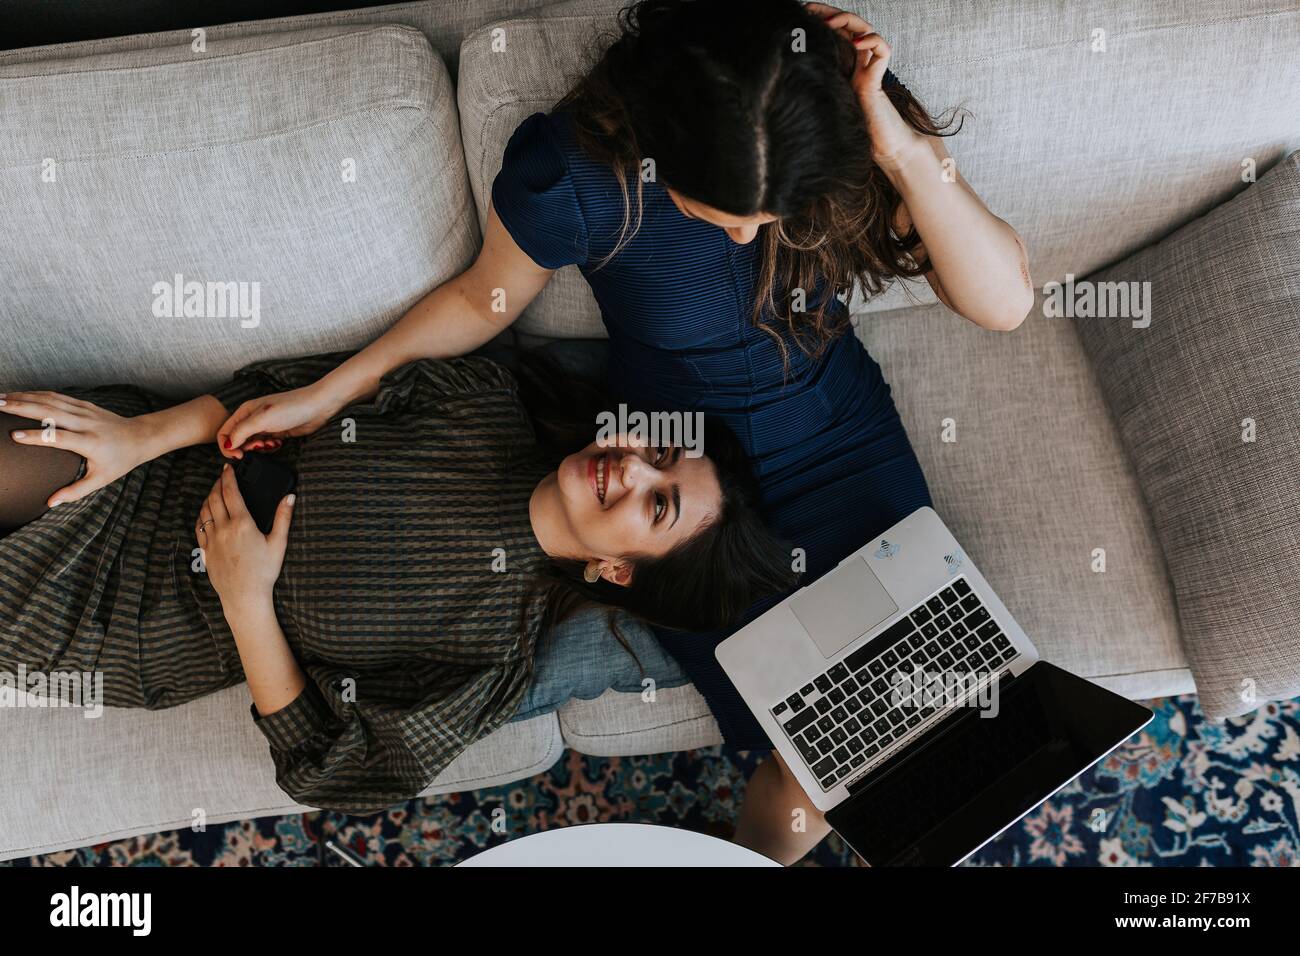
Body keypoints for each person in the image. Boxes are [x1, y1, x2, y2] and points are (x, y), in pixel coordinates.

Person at [71, 0, 1034, 862]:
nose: (747, 238)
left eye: (771, 216)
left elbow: (1004, 302)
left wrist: (900, 147)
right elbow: (481, 299)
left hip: (844, 446)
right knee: (799, 729)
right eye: (723, 214)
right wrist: (334, 391)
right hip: (679, 470)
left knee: (857, 749)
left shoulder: (827, 123)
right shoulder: (576, 170)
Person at [0, 350, 794, 813]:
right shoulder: (481, 399)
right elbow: (284, 388)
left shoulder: (493, 658)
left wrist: (248, 605)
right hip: (144, 476)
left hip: (134, 624)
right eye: (655, 451)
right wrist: (137, 437)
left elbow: (333, 770)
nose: (628, 466)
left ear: (618, 571)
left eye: (655, 503)